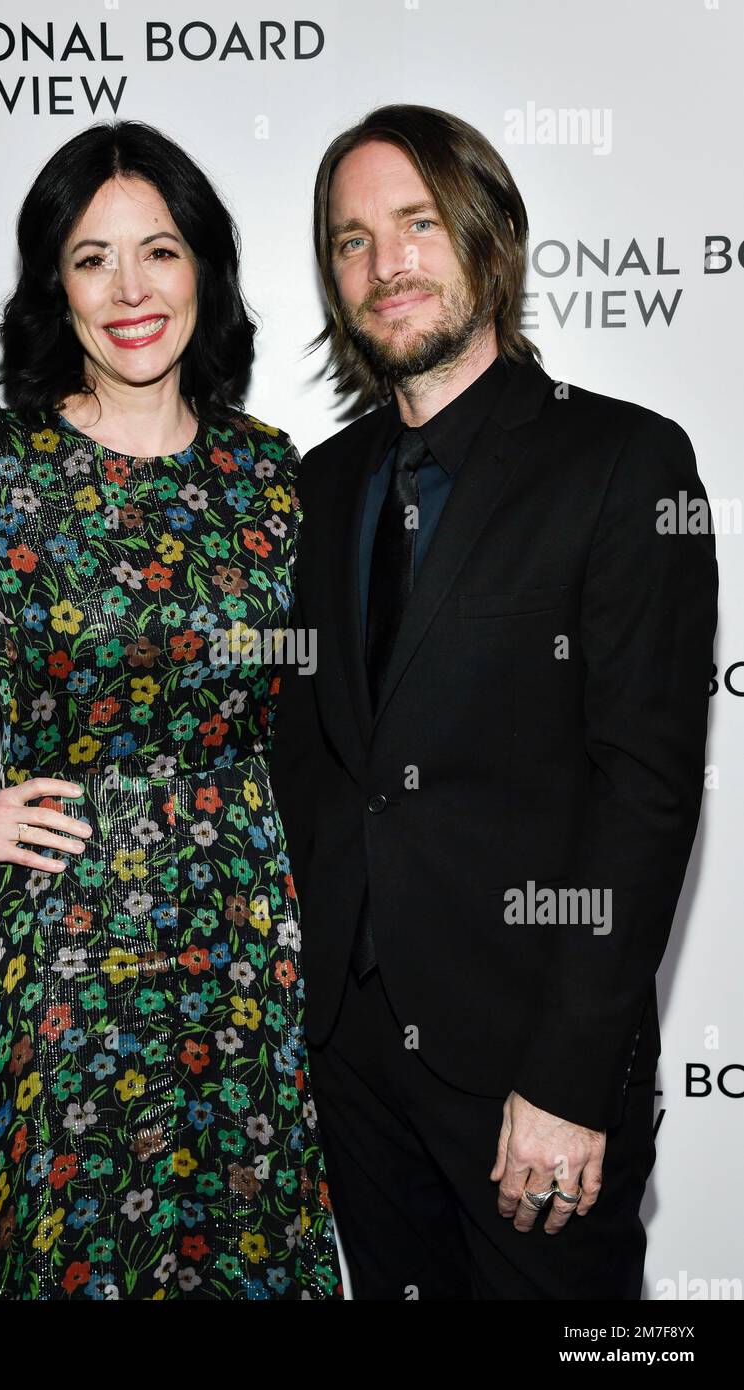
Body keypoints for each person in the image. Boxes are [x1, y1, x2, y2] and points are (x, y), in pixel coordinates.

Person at [0, 120, 343, 1302]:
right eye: (92, 259)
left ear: (206, 270)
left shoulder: (273, 477)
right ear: (55, 284)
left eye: (160, 251)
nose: (131, 290)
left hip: (248, 959)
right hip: (67, 970)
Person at [270, 103, 718, 1299]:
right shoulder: (319, 488)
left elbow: (647, 795)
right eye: (352, 239)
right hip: (352, 1062)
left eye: (417, 223)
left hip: (532, 1068)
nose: (386, 263)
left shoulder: (623, 466)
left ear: (490, 238)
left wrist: (571, 1079)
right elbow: (313, 768)